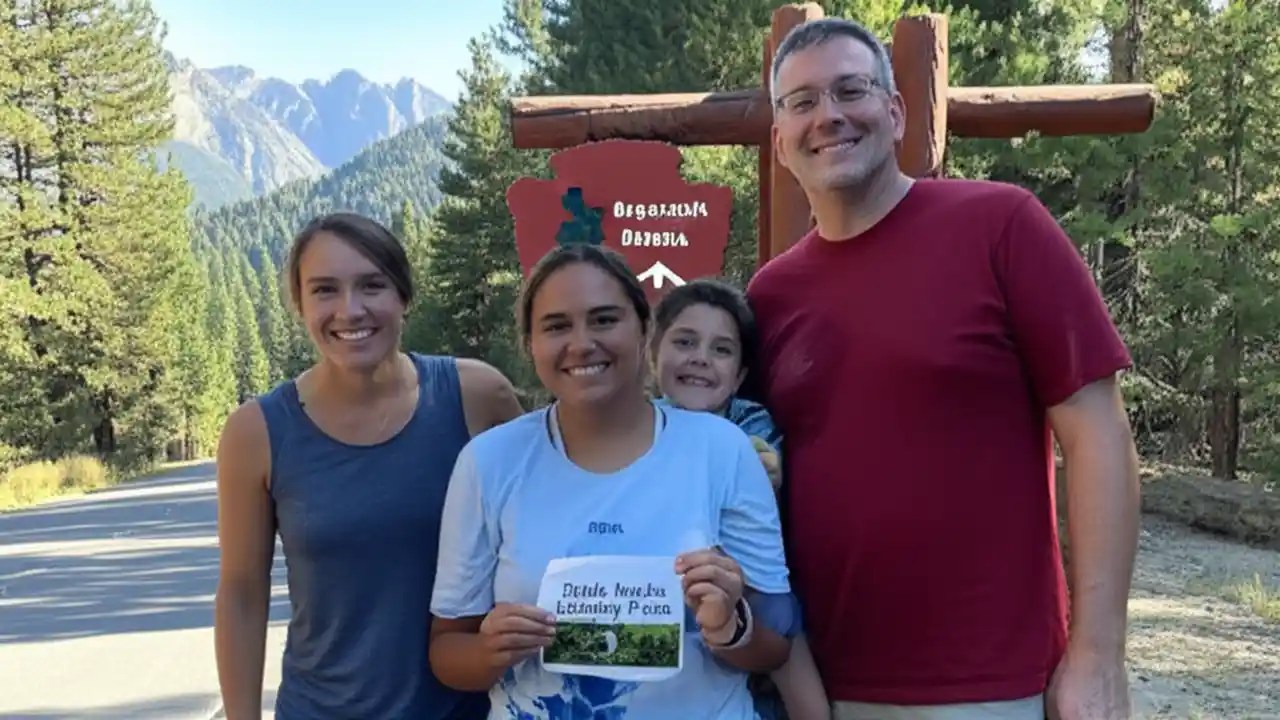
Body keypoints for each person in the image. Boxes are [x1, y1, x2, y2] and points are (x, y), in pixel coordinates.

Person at [746, 17, 1141, 720]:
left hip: (990, 683)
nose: (828, 115)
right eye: (801, 102)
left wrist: (1098, 654)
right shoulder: (767, 297)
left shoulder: (1000, 225)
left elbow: (1099, 433)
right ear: (779, 142)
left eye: (851, 90)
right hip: (819, 686)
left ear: (895, 112)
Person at [428, 243, 799, 719]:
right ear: (530, 345)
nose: (582, 342)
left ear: (645, 330)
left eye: (604, 319)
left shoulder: (723, 451)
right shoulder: (489, 461)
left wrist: (730, 625)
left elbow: (776, 649)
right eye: (557, 325)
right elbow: (446, 653)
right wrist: (487, 652)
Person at [213, 212, 524, 719]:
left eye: (372, 285)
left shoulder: (477, 397)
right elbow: (242, 592)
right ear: (300, 305)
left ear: (404, 295)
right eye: (324, 290)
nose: (350, 310)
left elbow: (547, 531)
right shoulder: (257, 432)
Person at [648, 278, 830, 720]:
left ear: (740, 376)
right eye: (685, 341)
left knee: (807, 699)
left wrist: (766, 466)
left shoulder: (747, 422)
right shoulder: (646, 422)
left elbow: (765, 461)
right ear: (652, 353)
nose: (700, 359)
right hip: (680, 588)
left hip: (757, 585)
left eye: (721, 350)